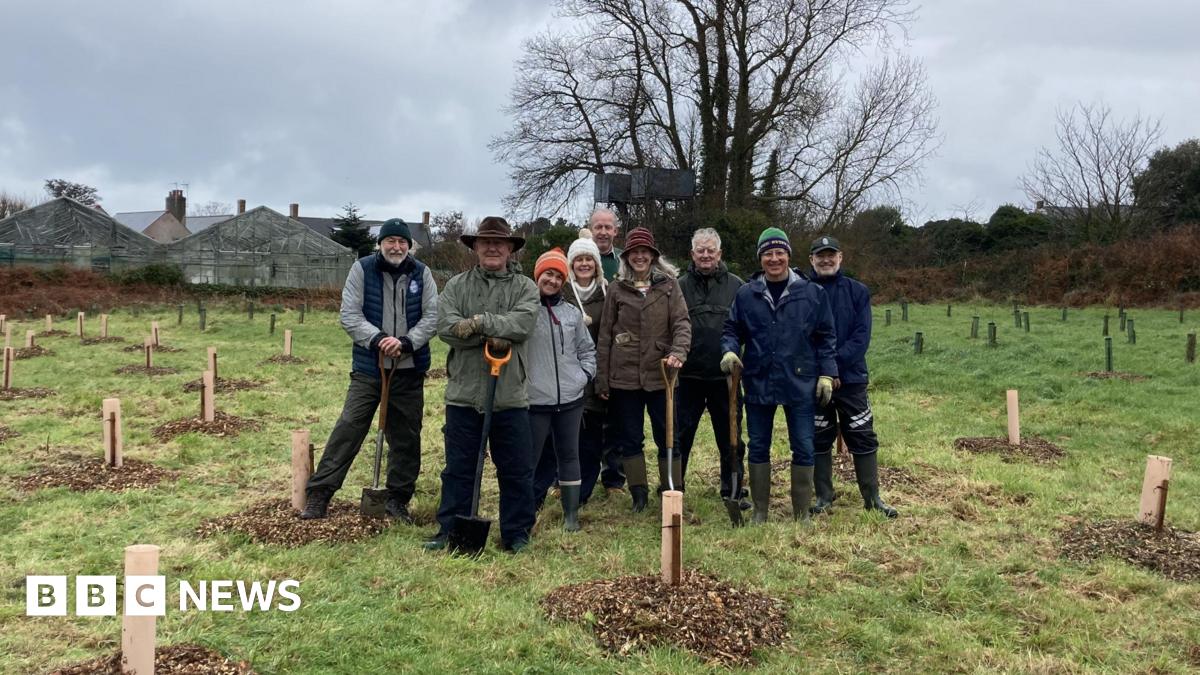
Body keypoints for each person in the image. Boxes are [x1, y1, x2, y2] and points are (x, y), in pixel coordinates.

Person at [301, 219, 438, 523]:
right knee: (349, 428)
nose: (396, 247)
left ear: (409, 245)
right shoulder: (362, 270)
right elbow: (349, 315)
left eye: (402, 242)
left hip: (408, 369)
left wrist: (406, 342)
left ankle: (397, 499)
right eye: (390, 241)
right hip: (369, 368)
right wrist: (377, 339)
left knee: (406, 437)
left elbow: (432, 317)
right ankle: (320, 494)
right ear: (380, 244)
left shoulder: (422, 273)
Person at [424, 217, 540, 553]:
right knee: (458, 469)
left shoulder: (525, 288)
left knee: (516, 470)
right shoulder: (457, 286)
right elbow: (446, 328)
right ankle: (450, 530)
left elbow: (523, 324)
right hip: (464, 393)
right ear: (475, 247)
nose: (492, 247)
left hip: (510, 395)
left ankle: (516, 534)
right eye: (485, 242)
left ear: (510, 249)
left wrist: (477, 322)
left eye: (499, 243)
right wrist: (492, 332)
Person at [720, 227, 837, 524]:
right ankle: (760, 510)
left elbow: (825, 337)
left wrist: (827, 374)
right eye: (768, 253)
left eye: (779, 253)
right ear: (760, 258)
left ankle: (801, 513)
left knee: (804, 445)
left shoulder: (812, 293)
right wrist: (730, 350)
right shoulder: (747, 294)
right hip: (759, 379)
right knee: (759, 445)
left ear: (788, 255)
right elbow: (732, 329)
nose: (774, 259)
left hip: (800, 381)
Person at [595, 227, 691, 512]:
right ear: (627, 257)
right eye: (634, 252)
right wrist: (603, 380)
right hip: (624, 378)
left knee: (668, 435)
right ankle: (638, 494)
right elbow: (605, 336)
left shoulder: (670, 286)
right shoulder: (616, 289)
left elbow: (682, 324)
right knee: (629, 436)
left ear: (652, 256)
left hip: (662, 374)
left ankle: (671, 489)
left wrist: (678, 352)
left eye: (644, 252)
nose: (639, 256)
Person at [808, 235, 898, 518]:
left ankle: (873, 499)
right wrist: (822, 370)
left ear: (841, 257)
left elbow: (861, 337)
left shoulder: (858, 292)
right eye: (820, 255)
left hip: (852, 378)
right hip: (815, 381)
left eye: (830, 254)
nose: (826, 260)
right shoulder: (803, 291)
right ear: (811, 260)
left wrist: (832, 366)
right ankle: (824, 497)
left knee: (862, 435)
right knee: (818, 436)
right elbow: (800, 336)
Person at [526, 247, 596, 531]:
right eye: (547, 274)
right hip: (534, 400)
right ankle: (526, 511)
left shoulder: (571, 314)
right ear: (538, 275)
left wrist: (583, 376)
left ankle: (570, 516)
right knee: (529, 458)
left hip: (570, 399)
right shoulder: (525, 311)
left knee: (569, 455)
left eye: (558, 276)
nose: (552, 280)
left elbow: (587, 350)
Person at [676, 227, 747, 501]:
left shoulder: (737, 286)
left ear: (720, 253)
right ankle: (674, 487)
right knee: (681, 434)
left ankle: (733, 487)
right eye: (700, 250)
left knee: (731, 436)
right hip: (689, 376)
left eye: (711, 250)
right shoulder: (679, 286)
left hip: (725, 378)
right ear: (692, 254)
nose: (705, 255)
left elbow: (746, 328)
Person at [589, 207, 623, 282]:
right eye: (598, 227)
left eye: (608, 227)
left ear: (615, 231)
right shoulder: (579, 260)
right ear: (591, 231)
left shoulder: (625, 259)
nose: (603, 232)